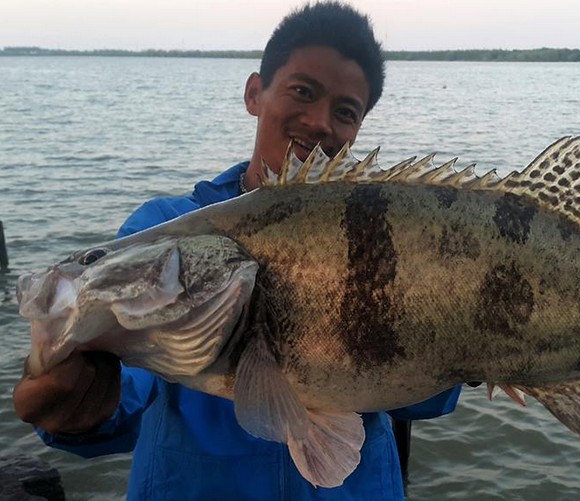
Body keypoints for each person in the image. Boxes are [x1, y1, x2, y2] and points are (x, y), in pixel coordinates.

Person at [13, 2, 461, 499]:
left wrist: (456, 347)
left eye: (345, 111)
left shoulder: (386, 237)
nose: (318, 122)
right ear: (254, 93)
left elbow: (423, 399)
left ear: (358, 128)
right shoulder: (165, 227)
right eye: (302, 91)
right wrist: (81, 413)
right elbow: (125, 400)